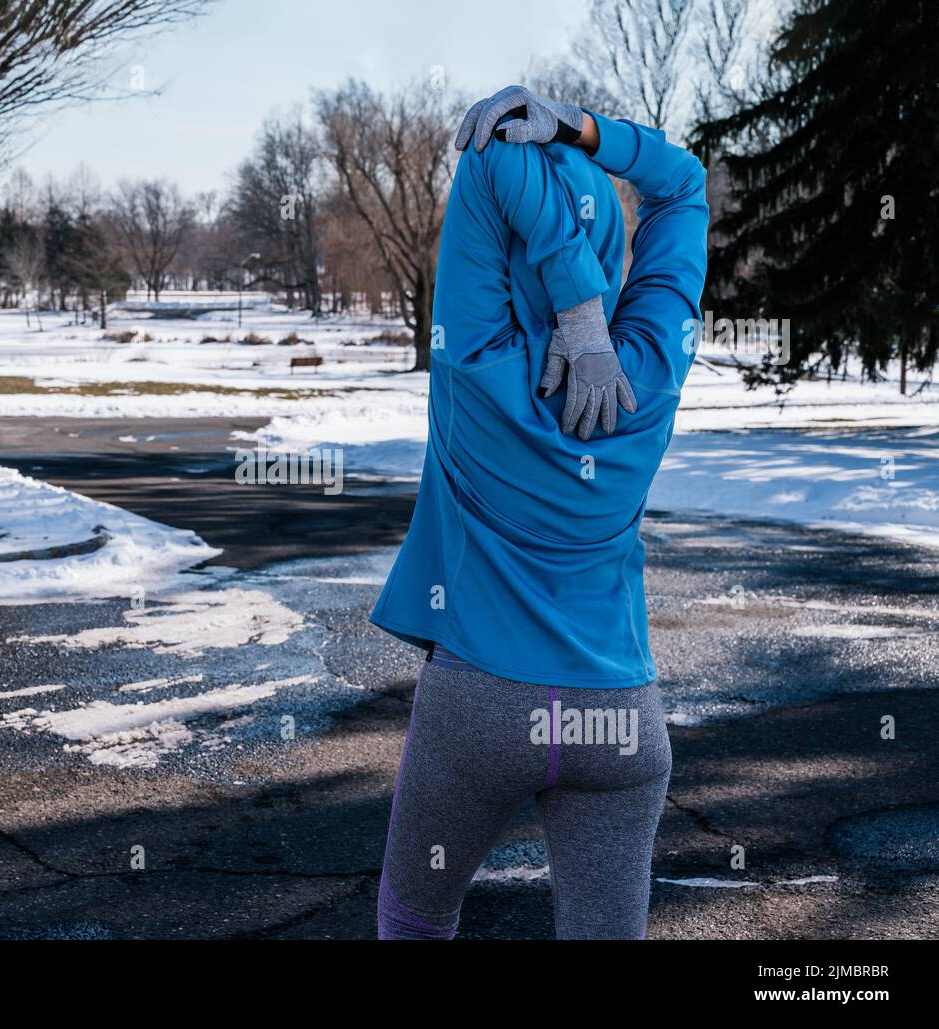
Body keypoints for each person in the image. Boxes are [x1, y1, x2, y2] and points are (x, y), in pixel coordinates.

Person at [370, 86, 709, 940]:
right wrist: (588, 131)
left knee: (414, 917)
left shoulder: (473, 361)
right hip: (621, 722)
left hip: (480, 705)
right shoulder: (650, 376)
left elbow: (490, 159)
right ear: (611, 244)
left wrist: (570, 294)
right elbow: (684, 185)